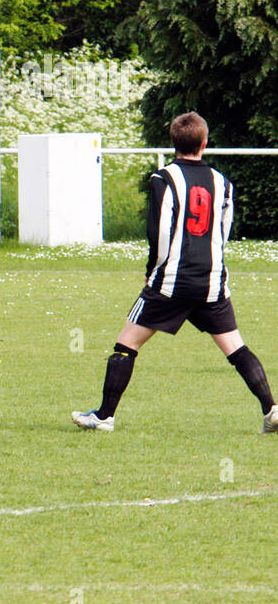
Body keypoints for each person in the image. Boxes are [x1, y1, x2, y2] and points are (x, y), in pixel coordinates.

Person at [72, 111, 278, 434]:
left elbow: (160, 233)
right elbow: (222, 233)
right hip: (211, 282)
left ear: (173, 143)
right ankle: (271, 409)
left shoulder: (163, 179)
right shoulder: (222, 183)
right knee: (236, 348)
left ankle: (104, 416)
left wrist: (150, 271)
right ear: (204, 143)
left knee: (127, 343)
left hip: (170, 282)